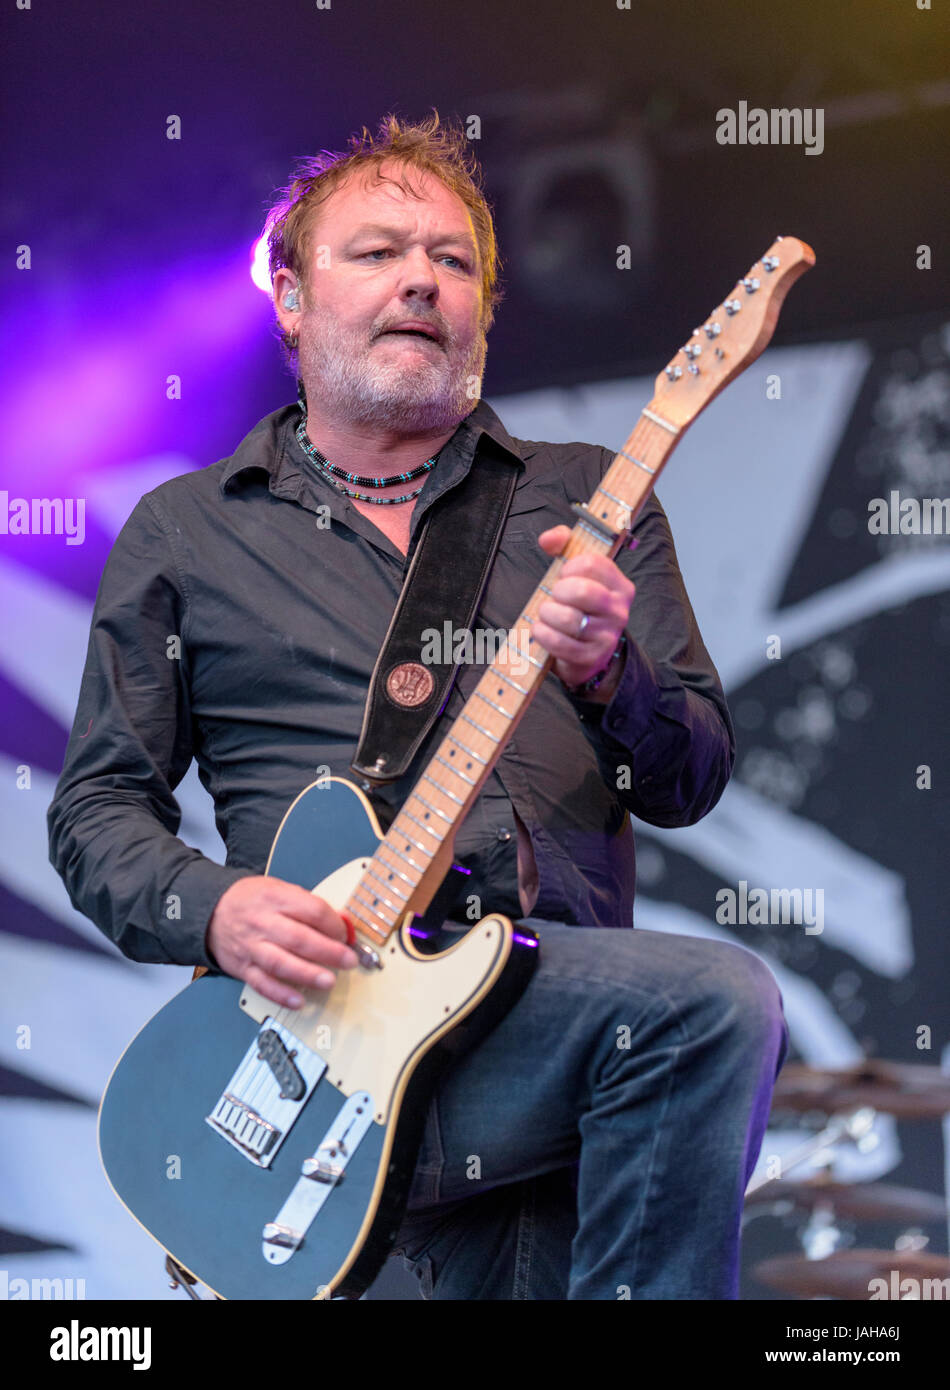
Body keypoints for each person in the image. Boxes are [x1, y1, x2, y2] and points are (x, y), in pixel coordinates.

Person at [48, 112, 788, 1300]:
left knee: (705, 1007)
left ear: (483, 309)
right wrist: (220, 907)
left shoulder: (587, 497)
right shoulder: (191, 530)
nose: (421, 282)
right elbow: (95, 811)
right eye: (379, 251)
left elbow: (688, 777)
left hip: (540, 1031)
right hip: (308, 1057)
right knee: (706, 1007)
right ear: (288, 296)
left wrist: (610, 672)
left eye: (452, 262)